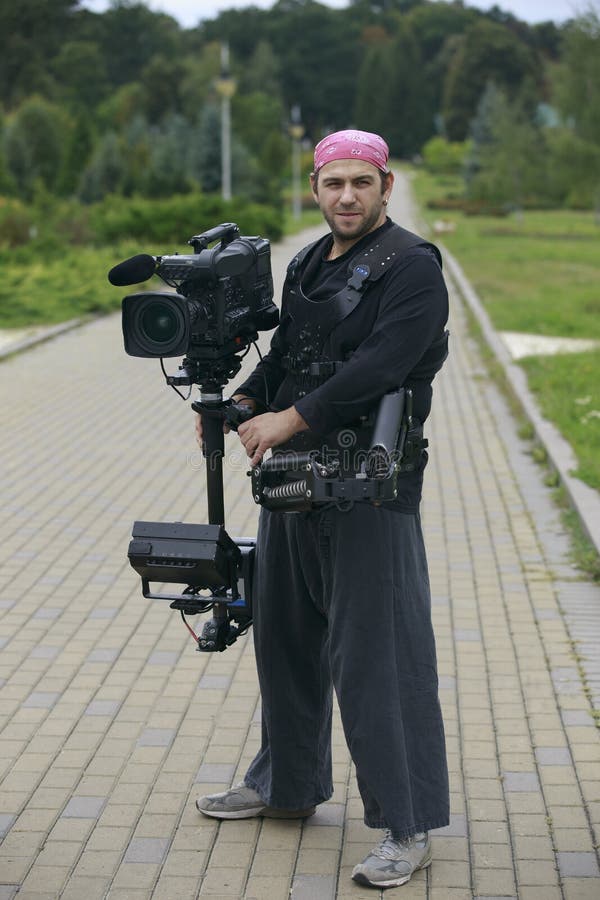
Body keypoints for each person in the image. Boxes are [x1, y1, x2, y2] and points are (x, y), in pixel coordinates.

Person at [195, 129, 450, 889]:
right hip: (295, 487)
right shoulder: (309, 259)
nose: (346, 196)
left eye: (360, 184)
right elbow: (288, 357)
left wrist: (287, 420)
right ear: (315, 187)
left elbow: (382, 365)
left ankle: (407, 827)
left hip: (371, 488)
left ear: (385, 187)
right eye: (333, 183)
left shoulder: (414, 269)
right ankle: (287, 786)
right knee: (284, 641)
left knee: (376, 662)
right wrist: (243, 400)